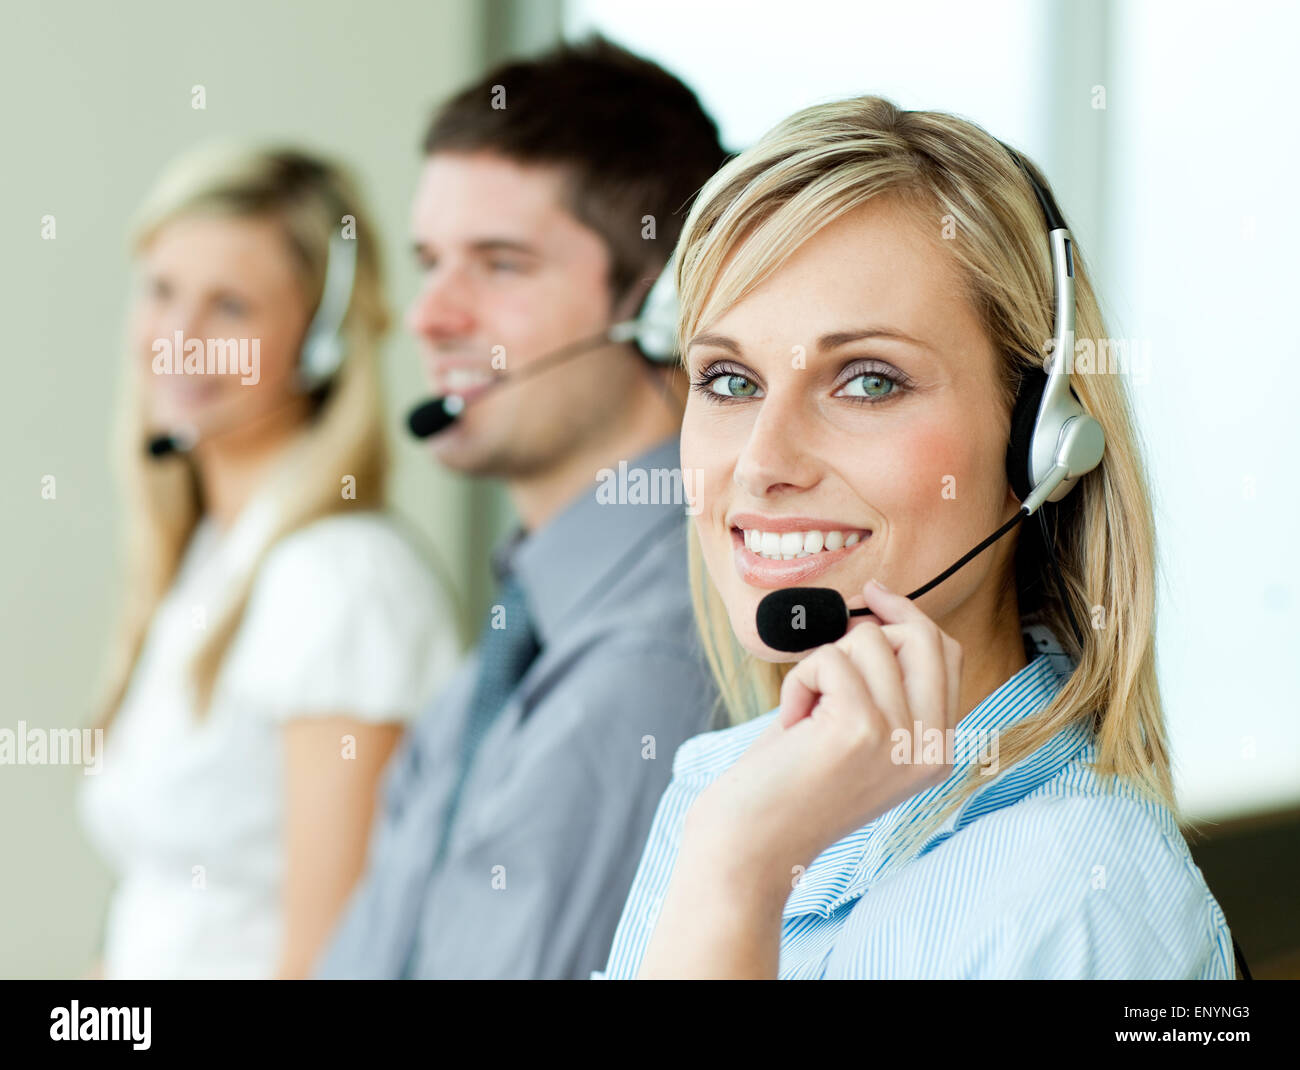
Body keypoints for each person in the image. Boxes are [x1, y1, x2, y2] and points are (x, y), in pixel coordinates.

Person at [599, 96, 1236, 979]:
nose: (759, 464)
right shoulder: (723, 790)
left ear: (1040, 441)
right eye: (729, 379)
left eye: (867, 382)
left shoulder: (1084, 898)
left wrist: (736, 878)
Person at [315, 38, 728, 980]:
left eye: (499, 265)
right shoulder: (532, 621)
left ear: (663, 305)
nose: (430, 316)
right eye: (430, 262)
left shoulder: (656, 655)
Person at [78, 145, 461, 979]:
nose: (180, 340)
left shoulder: (340, 581)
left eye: (230, 308)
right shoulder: (213, 558)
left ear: (319, 343)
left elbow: (331, 960)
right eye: (162, 292)